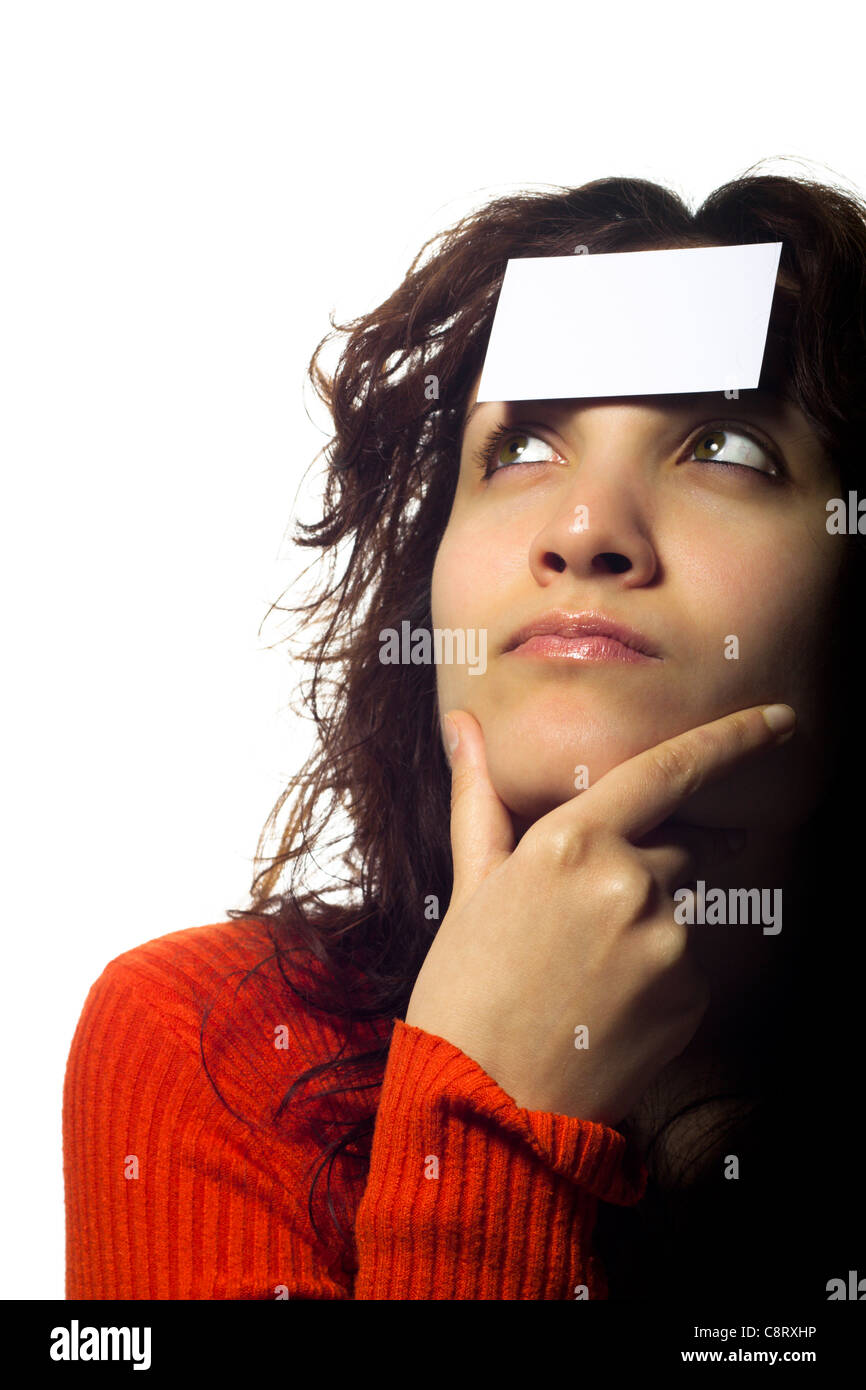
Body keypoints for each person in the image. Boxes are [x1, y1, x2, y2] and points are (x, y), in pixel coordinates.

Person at [63, 168, 866, 1302]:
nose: (585, 531)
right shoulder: (207, 1040)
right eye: (521, 449)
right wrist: (485, 1117)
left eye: (724, 449)